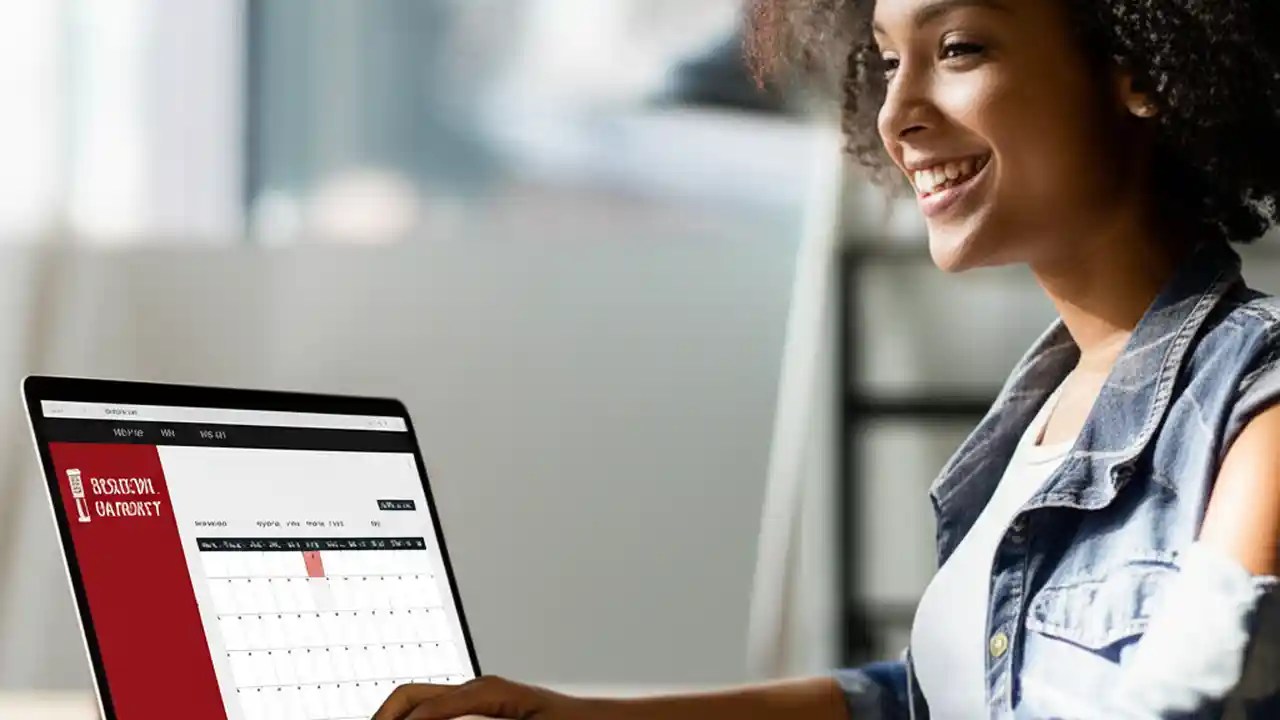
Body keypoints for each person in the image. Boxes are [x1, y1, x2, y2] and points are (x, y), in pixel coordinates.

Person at [374, 0, 1280, 716]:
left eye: (958, 48)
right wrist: (582, 717)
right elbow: (926, 699)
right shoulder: (1041, 415)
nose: (898, 113)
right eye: (888, 62)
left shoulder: (1256, 406)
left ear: (1138, 70)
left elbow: (1188, 706)